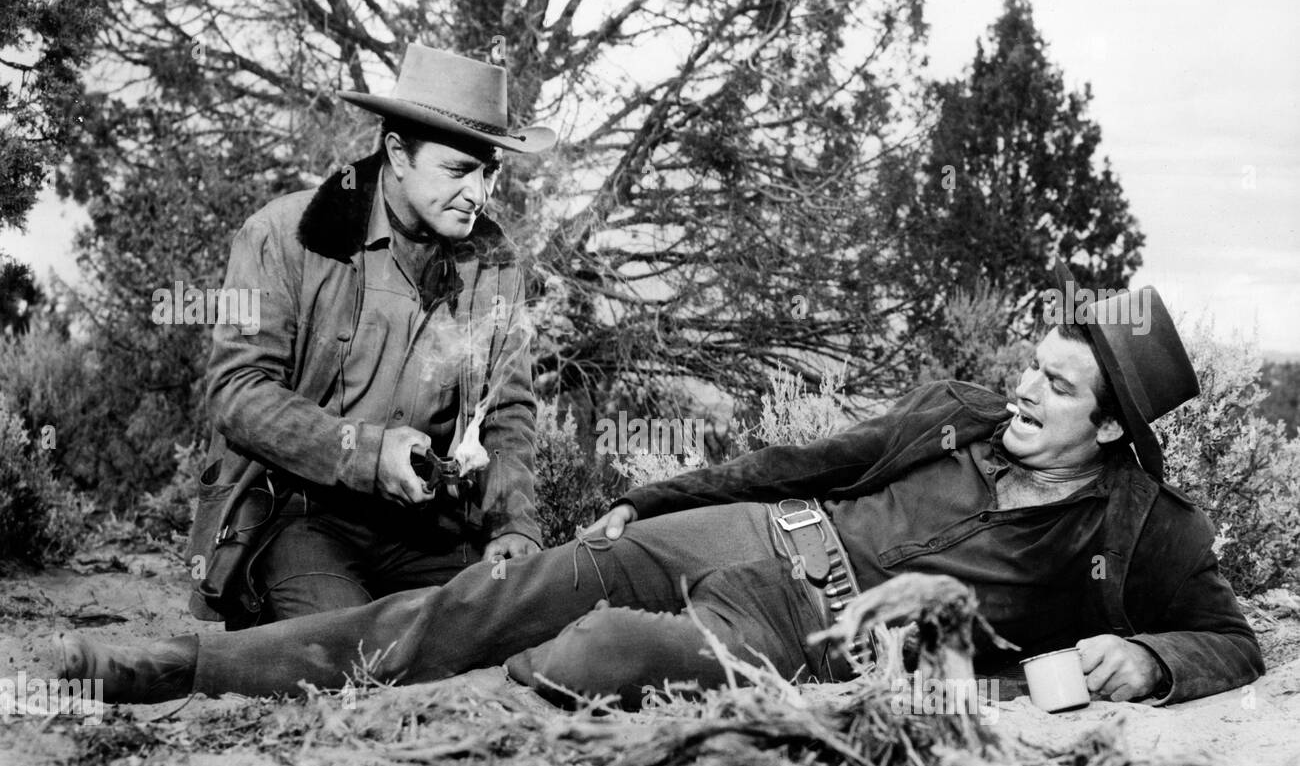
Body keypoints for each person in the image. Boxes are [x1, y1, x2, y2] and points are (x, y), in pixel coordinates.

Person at [61, 285, 1263, 708]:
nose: (1020, 389)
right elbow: (798, 465)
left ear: (1109, 424)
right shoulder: (952, 408)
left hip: (813, 629)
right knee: (512, 591)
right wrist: (648, 494)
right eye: (1028, 364)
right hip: (749, 531)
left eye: (1053, 386)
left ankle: (493, 694)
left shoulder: (1138, 530)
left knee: (596, 650)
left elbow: (1230, 645)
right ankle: (174, 670)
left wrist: (1150, 664)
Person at [185, 44, 554, 630]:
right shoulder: (281, 237)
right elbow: (236, 391)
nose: (479, 195)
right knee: (354, 648)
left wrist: (513, 524)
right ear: (396, 154)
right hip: (301, 516)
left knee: (528, 618)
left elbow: (507, 409)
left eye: (490, 172)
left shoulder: (493, 263)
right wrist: (364, 451)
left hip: (430, 529)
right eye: (458, 170)